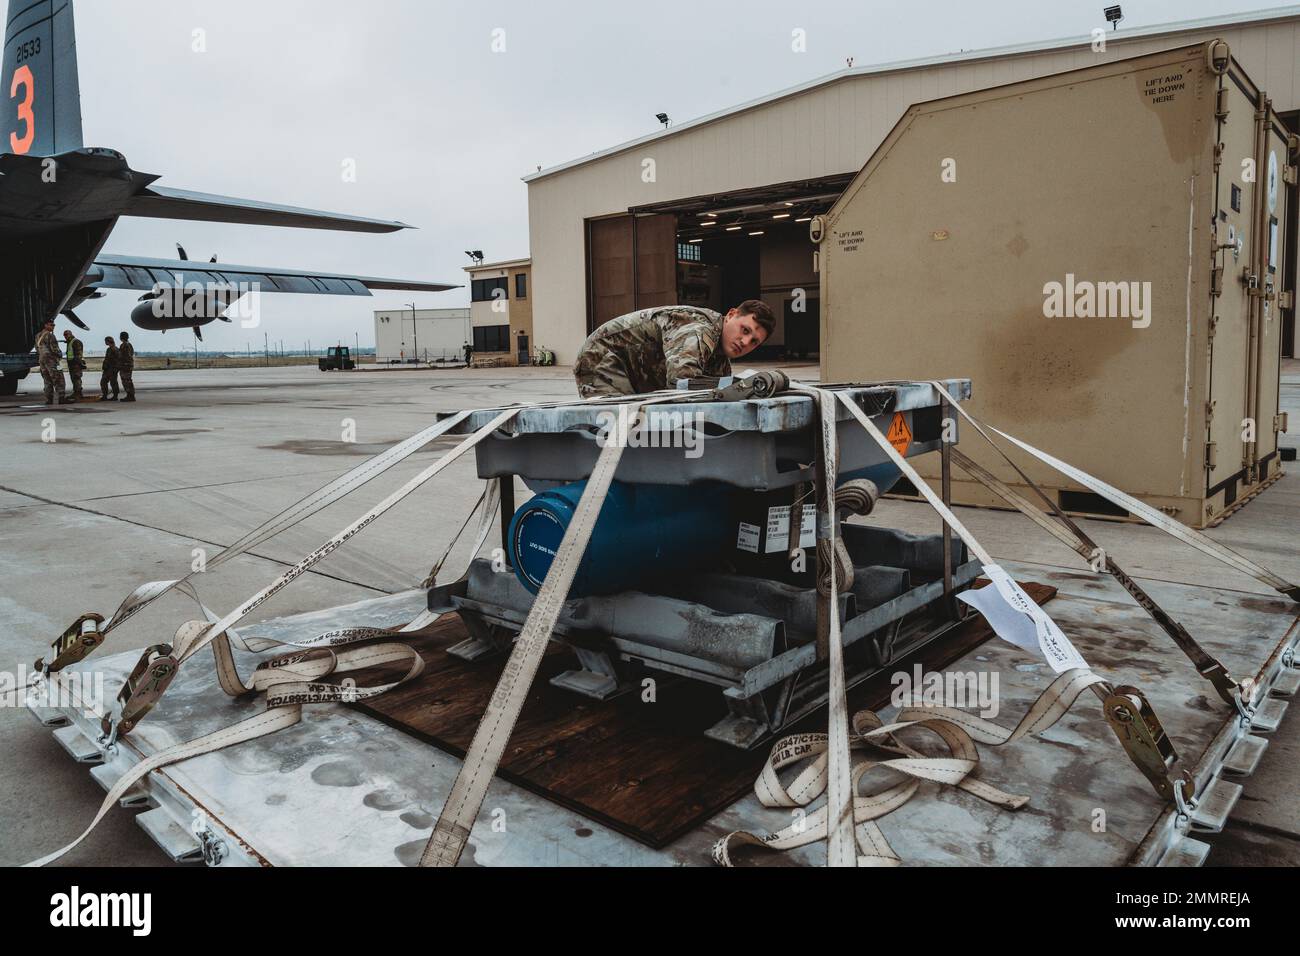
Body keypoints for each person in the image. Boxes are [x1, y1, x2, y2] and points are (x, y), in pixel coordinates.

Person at [573, 300, 774, 397]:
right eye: (744, 330)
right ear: (731, 315)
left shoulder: (720, 362)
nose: (745, 342)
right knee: (617, 429)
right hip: (604, 358)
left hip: (638, 373)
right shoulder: (698, 329)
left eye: (754, 341)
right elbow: (682, 384)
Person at [34, 318, 69, 405]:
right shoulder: (50, 335)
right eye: (51, 325)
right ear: (46, 325)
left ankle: (49, 399)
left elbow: (37, 348)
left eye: (53, 325)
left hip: (42, 359)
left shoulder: (38, 335)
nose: (53, 326)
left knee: (47, 379)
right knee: (58, 378)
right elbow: (55, 349)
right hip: (51, 359)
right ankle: (61, 398)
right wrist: (60, 355)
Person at [61, 329, 85, 400]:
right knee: (74, 379)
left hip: (76, 364)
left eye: (66, 335)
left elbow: (78, 354)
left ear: (70, 334)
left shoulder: (76, 342)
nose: (65, 337)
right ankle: (76, 393)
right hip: (72, 364)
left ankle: (78, 393)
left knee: (77, 378)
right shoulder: (70, 342)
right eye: (64, 335)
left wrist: (77, 363)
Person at [100, 335, 121, 400]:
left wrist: (116, 369)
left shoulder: (115, 349)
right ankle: (105, 395)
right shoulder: (109, 349)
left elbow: (118, 359)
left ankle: (115, 396)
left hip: (112, 369)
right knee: (103, 382)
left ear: (108, 341)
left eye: (105, 341)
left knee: (113, 382)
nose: (105, 342)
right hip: (107, 369)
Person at [118, 331, 136, 402]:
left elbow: (126, 356)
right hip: (127, 365)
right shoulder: (128, 344)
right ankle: (130, 395)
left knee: (126, 381)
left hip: (125, 365)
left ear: (121, 337)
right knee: (127, 380)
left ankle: (130, 395)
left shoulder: (125, 345)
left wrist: (123, 364)